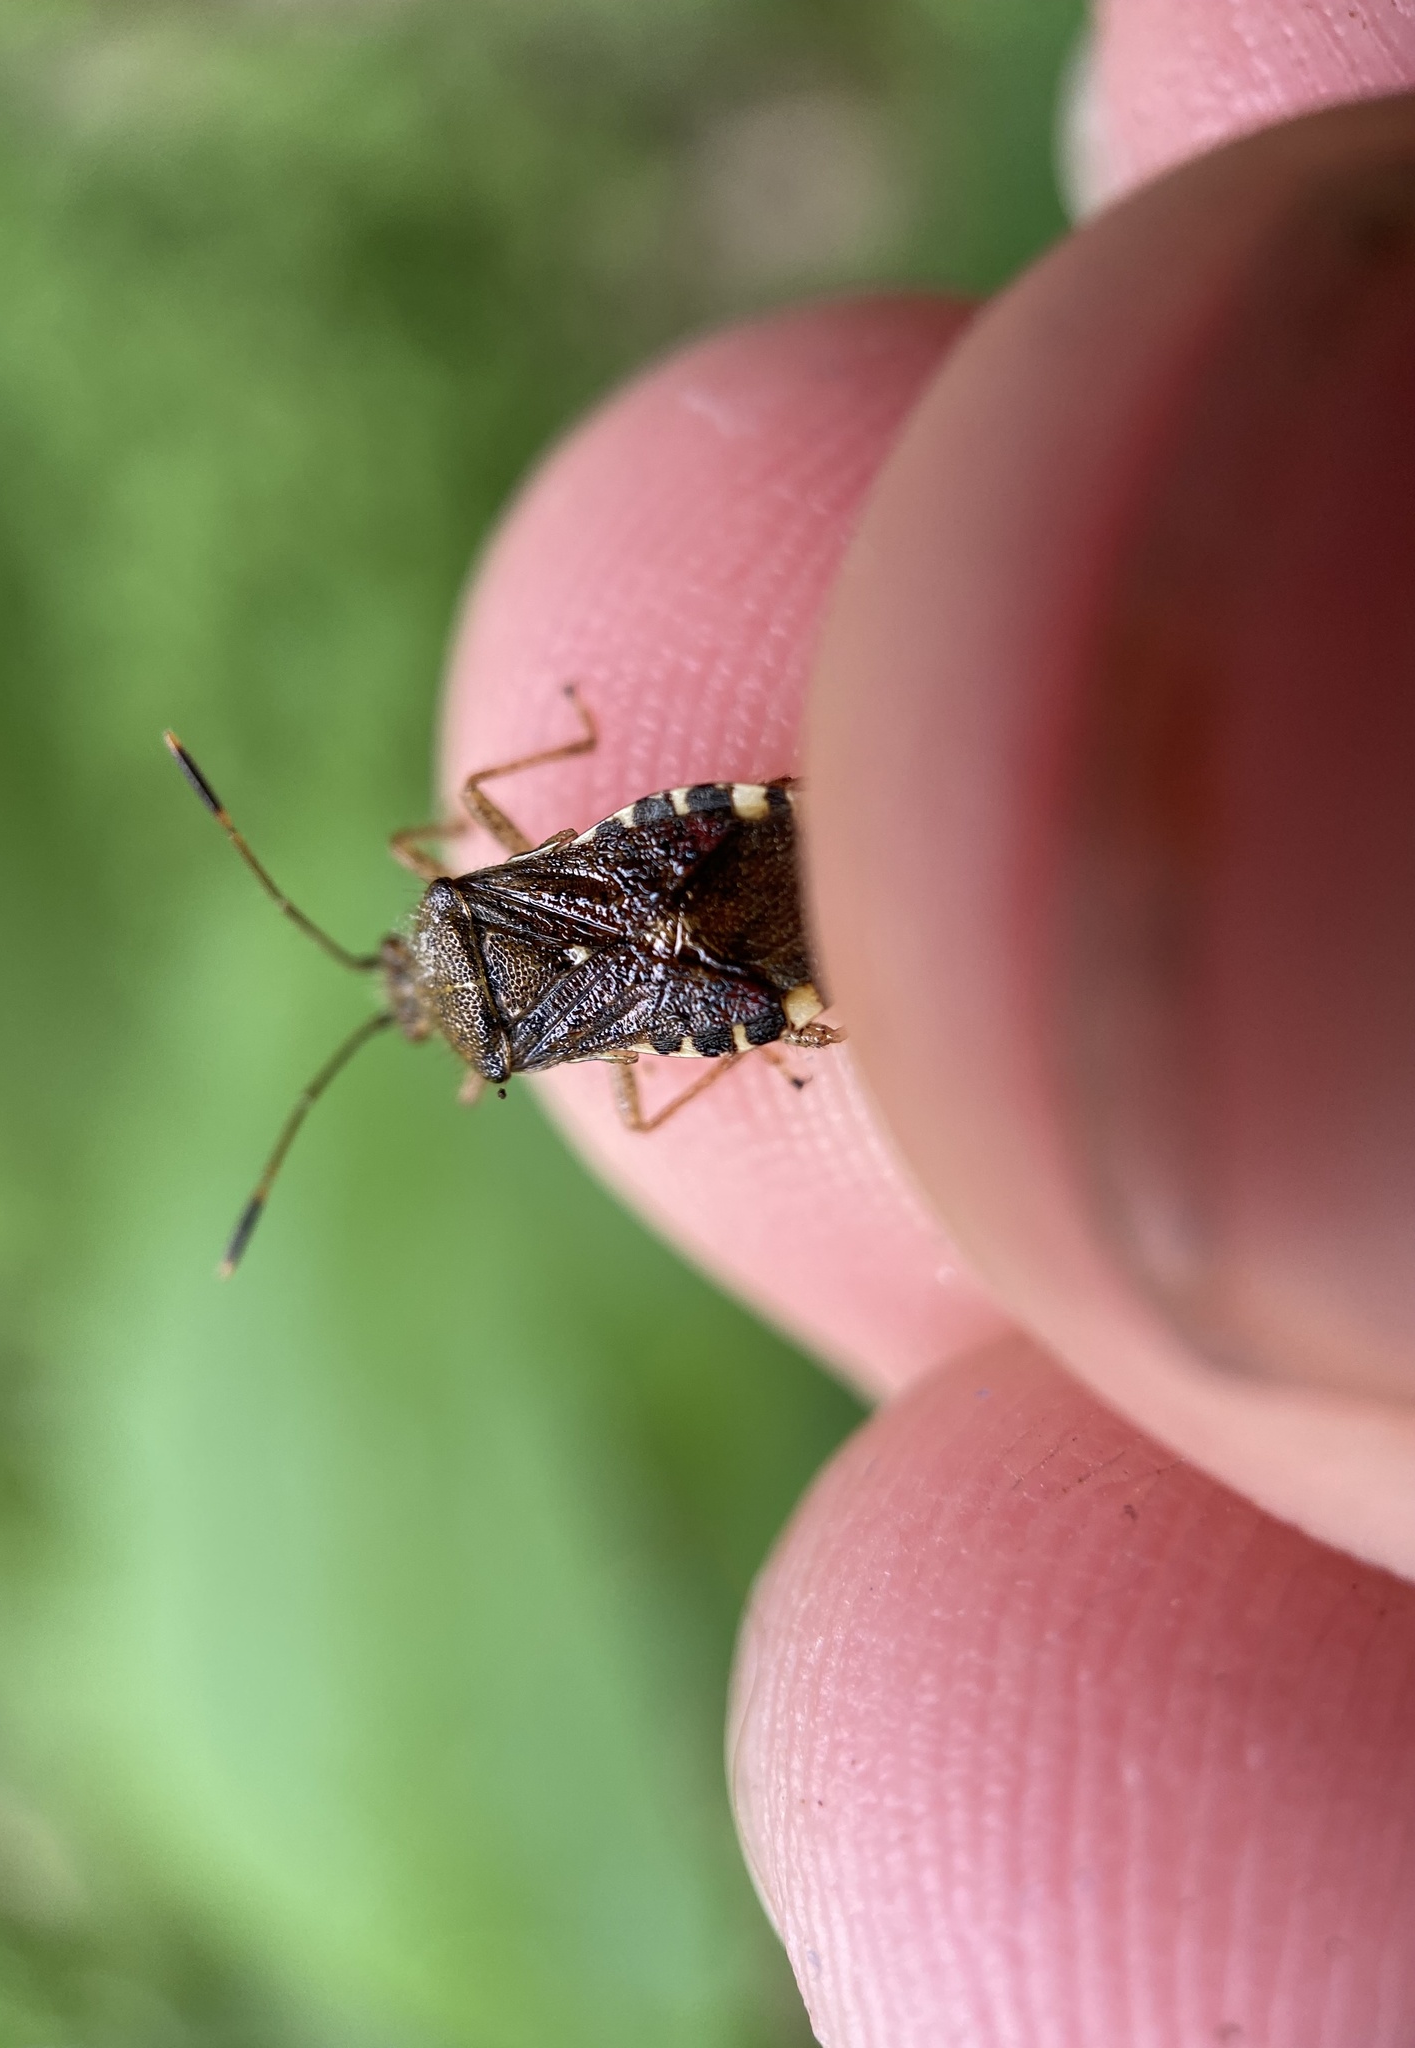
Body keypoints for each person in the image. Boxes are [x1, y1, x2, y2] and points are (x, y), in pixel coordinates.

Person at [443, 11, 1415, 2040]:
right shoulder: (491, 898)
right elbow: (573, 791)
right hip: (724, 888)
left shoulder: (531, 1023)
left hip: (734, 960)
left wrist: (722, 1008)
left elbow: (623, 1041)